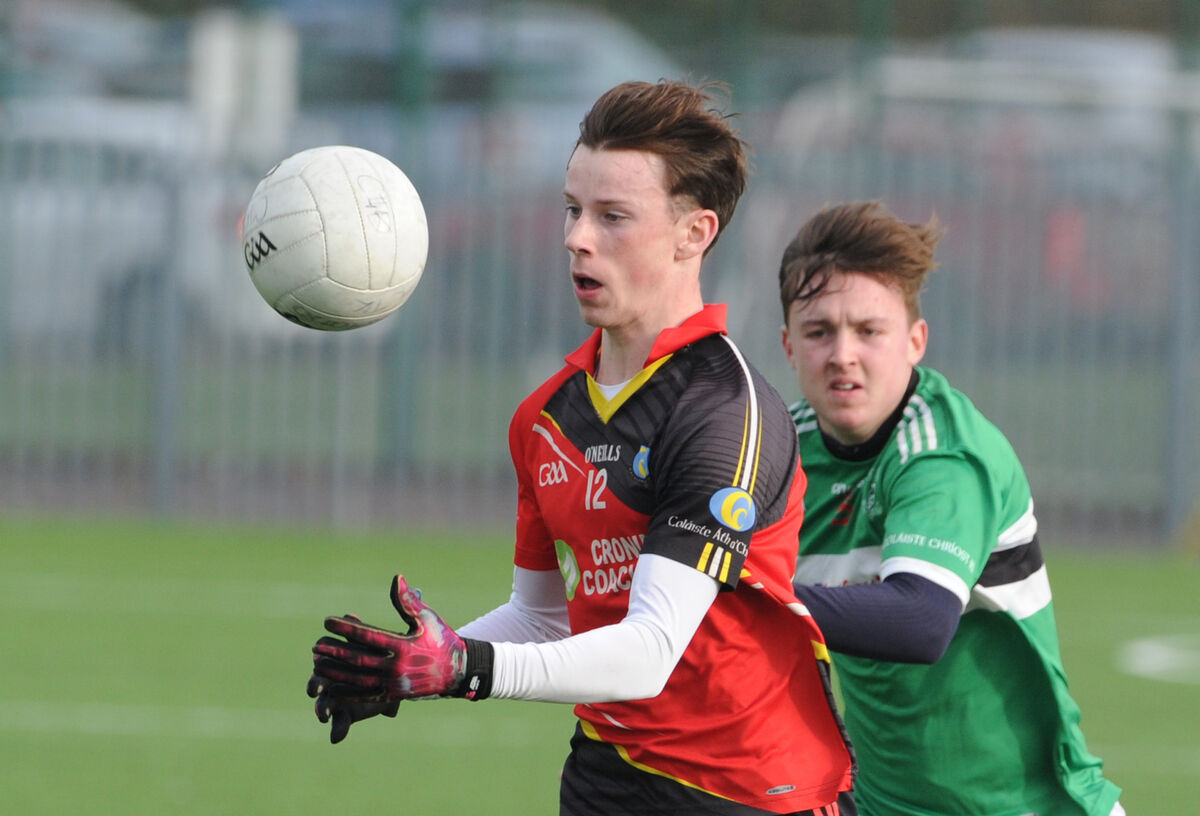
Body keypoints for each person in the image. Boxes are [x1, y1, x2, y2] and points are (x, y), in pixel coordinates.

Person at [306, 79, 857, 816]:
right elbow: (543, 616)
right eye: (573, 209)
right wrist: (413, 664)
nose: (577, 238)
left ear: (695, 233)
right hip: (608, 773)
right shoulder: (545, 416)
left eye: (612, 216)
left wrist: (466, 667)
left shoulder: (724, 411)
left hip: (750, 791)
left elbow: (650, 649)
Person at [777, 200, 1124, 816]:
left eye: (869, 330)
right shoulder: (777, 454)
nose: (843, 354)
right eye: (819, 331)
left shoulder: (944, 454)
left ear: (915, 341)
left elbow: (919, 620)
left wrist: (751, 602)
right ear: (788, 346)